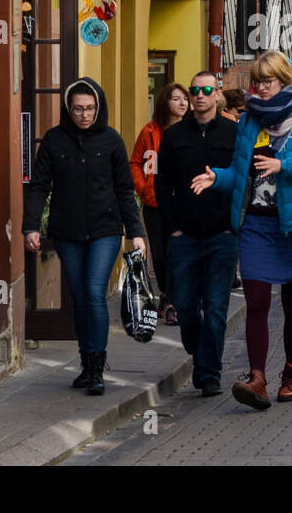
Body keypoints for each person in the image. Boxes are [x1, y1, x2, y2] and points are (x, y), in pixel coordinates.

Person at [191, 51, 292, 410]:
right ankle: (258, 378)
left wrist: (284, 165)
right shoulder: (250, 120)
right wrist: (216, 178)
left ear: (284, 80)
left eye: (268, 81)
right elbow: (240, 173)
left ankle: (290, 372)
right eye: (258, 82)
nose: (262, 88)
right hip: (257, 226)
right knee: (255, 302)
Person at [22, 77, 146, 395]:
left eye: (90, 108)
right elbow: (39, 186)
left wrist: (136, 234)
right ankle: (86, 361)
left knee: (93, 293)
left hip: (105, 230)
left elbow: (124, 190)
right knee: (79, 297)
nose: (84, 115)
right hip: (68, 232)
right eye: (77, 109)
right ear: (68, 109)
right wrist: (31, 226)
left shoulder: (111, 141)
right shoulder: (54, 140)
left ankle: (96, 366)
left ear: (98, 107)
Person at [156, 72, 239, 397]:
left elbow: (244, 177)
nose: (200, 95)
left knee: (216, 307)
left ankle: (209, 373)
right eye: (195, 91)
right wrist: (172, 225)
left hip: (222, 234)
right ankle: (199, 351)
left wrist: (236, 223)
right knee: (187, 307)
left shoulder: (234, 133)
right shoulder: (174, 136)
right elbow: (162, 183)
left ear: (218, 95)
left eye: (207, 90)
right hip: (185, 236)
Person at [131, 83, 189, 325]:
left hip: (182, 203)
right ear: (165, 102)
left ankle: (173, 302)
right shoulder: (150, 132)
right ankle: (166, 293)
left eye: (185, 98)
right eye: (176, 99)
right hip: (154, 204)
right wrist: (143, 187)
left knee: (176, 253)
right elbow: (135, 162)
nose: (183, 103)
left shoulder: (190, 131)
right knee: (160, 254)